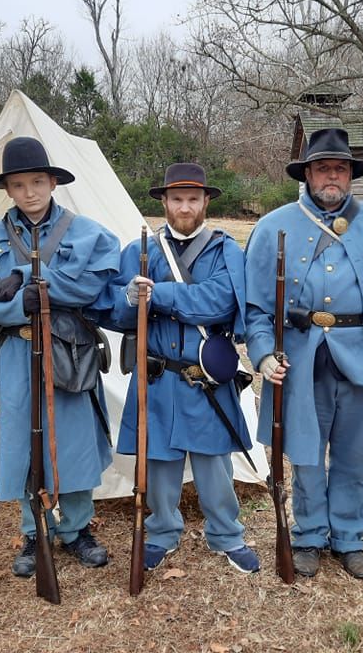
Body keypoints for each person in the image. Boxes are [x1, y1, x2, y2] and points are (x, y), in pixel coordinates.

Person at [245, 128, 363, 579]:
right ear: (307, 174)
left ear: (350, 176)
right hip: (301, 359)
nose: (332, 177)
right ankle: (308, 537)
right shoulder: (273, 227)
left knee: (355, 455)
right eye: (323, 168)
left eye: (340, 169)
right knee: (305, 453)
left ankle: (348, 537)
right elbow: (255, 307)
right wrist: (264, 352)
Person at [0, 136, 120, 577]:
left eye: (38, 182)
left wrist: (26, 280)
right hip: (18, 350)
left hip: (68, 349)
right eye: (20, 184)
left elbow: (88, 287)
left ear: (53, 183)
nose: (30, 193)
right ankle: (33, 529)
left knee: (74, 440)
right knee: (25, 440)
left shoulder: (84, 232)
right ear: (7, 189)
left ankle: (77, 529)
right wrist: (16, 307)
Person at [100, 163, 260, 574]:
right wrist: (133, 300)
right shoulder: (141, 251)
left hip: (205, 376)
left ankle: (226, 535)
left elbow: (220, 301)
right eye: (176, 199)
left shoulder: (226, 250)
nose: (184, 207)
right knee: (159, 462)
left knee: (214, 465)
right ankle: (162, 533)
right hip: (157, 376)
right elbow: (114, 309)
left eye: (193, 199)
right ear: (164, 203)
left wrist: (160, 295)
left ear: (206, 201)